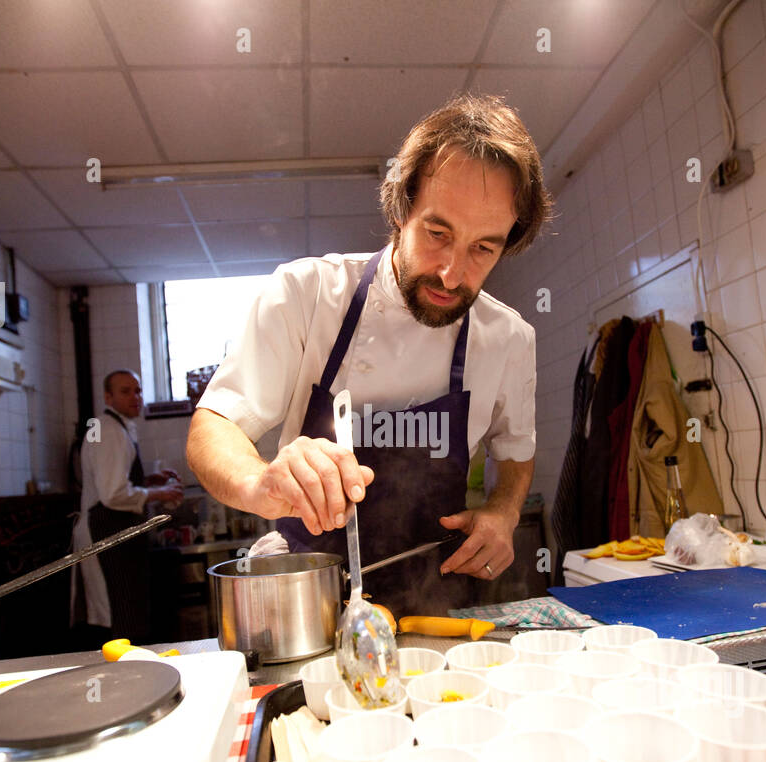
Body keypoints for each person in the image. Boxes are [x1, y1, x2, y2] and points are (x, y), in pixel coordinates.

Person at [186, 93, 551, 615]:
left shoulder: (509, 339)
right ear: (401, 209)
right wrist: (257, 481)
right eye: (437, 233)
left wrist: (503, 511)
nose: (452, 273)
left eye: (483, 248)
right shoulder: (307, 295)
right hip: (306, 608)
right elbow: (213, 428)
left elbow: (516, 451)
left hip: (438, 603)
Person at [72, 369, 182, 640]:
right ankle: (128, 676)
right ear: (108, 397)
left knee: (124, 611)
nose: (135, 397)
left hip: (114, 533)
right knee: (122, 615)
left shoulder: (114, 428)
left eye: (138, 390)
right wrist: (161, 492)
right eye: (125, 391)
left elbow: (109, 482)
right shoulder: (110, 432)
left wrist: (146, 480)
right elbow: (112, 495)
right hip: (107, 533)